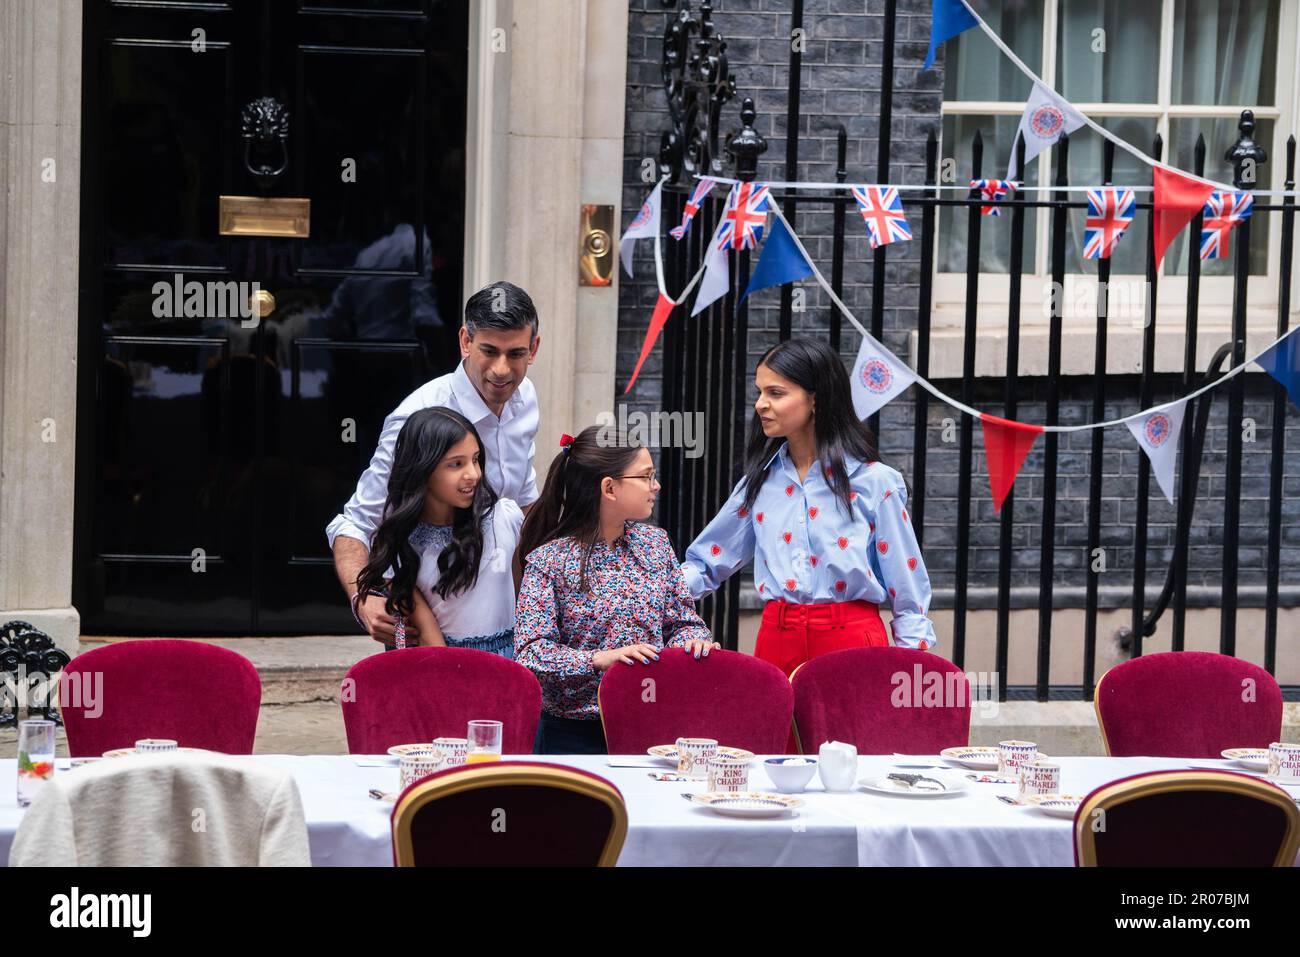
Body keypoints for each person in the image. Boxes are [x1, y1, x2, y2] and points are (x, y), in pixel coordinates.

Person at [681, 336, 938, 680]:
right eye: (759, 392)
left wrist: (911, 671)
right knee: (778, 735)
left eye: (776, 393)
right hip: (776, 641)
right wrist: (643, 595)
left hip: (852, 642)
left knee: (850, 736)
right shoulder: (759, 483)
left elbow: (907, 590)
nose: (760, 404)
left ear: (815, 399)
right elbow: (707, 562)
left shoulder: (874, 482)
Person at [328, 280, 540, 645]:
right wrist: (363, 599)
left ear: (533, 349)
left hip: (508, 620)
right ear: (465, 341)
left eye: (516, 354)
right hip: (430, 613)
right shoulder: (416, 417)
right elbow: (355, 523)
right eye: (489, 350)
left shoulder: (526, 398)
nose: (502, 370)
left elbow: (525, 503)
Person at [514, 427, 718, 754]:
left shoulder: (656, 545)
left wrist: (692, 643)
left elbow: (682, 623)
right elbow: (531, 653)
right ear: (609, 487)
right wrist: (597, 660)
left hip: (652, 722)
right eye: (646, 477)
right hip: (572, 733)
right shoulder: (548, 562)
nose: (656, 486)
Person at [353, 407, 521, 656]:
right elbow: (430, 637)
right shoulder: (400, 545)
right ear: (423, 469)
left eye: (475, 460)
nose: (473, 474)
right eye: (456, 464)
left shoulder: (504, 518)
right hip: (444, 663)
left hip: (511, 661)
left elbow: (525, 593)